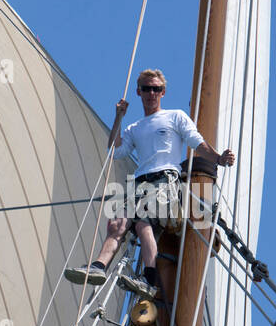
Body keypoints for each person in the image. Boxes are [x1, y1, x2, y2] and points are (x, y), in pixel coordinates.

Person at [65, 68, 235, 297]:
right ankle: (99, 267)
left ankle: (150, 279)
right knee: (117, 224)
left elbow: (197, 143)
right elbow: (115, 151)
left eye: (156, 89)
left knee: (144, 224)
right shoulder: (135, 128)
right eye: (147, 89)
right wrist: (118, 117)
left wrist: (219, 159)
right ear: (139, 92)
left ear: (163, 92)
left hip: (164, 178)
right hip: (139, 182)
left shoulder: (175, 116)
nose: (151, 93)